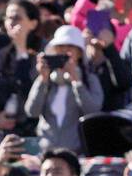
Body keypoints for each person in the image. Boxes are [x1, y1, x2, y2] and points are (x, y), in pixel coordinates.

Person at [24, 25, 103, 153]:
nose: (65, 52)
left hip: (76, 154)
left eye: (70, 47)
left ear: (79, 53)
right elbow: (32, 111)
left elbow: (93, 110)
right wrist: (42, 79)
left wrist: (76, 82)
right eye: (60, 47)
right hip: (46, 152)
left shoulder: (90, 79)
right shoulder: (47, 80)